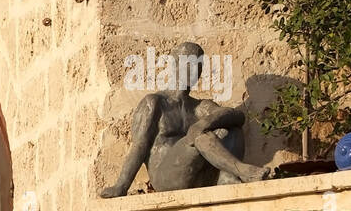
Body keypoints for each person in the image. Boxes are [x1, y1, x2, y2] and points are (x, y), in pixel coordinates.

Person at [100, 42, 271, 197]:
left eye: (199, 65)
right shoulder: (155, 103)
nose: (194, 70)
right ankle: (242, 170)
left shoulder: (199, 106)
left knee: (231, 129)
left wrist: (205, 122)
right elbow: (139, 146)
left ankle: (229, 178)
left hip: (198, 177)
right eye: (188, 63)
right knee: (198, 136)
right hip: (166, 177)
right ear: (174, 65)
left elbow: (237, 116)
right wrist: (121, 186)